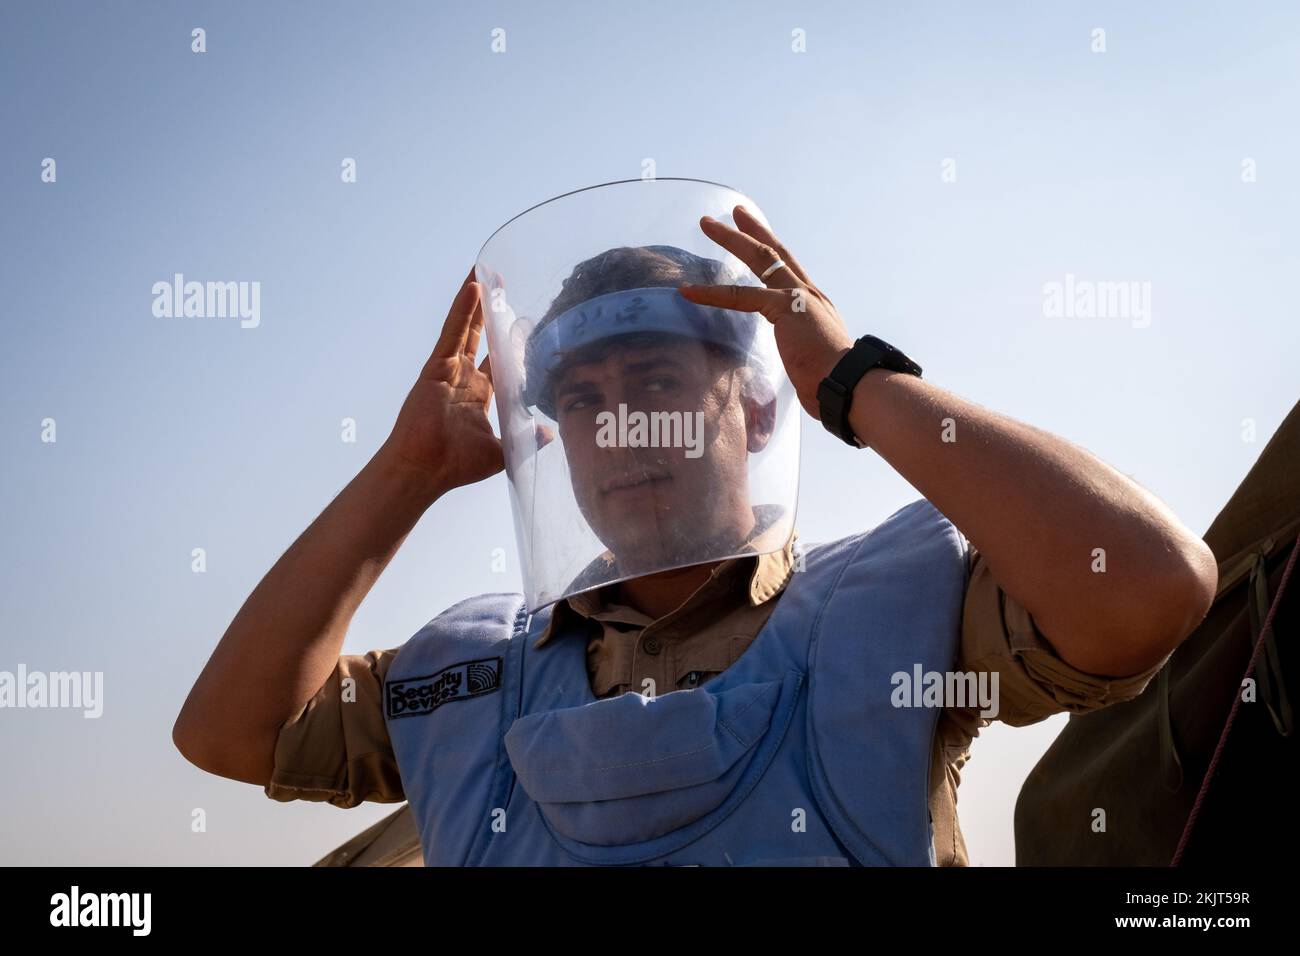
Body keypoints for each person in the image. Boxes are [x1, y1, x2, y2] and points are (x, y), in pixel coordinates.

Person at [173, 204, 1218, 866]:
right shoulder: (476, 666)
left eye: (660, 383)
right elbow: (227, 731)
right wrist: (403, 472)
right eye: (580, 399)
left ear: (757, 409)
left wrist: (857, 379)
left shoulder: (891, 610)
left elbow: (1144, 586)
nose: (620, 427)